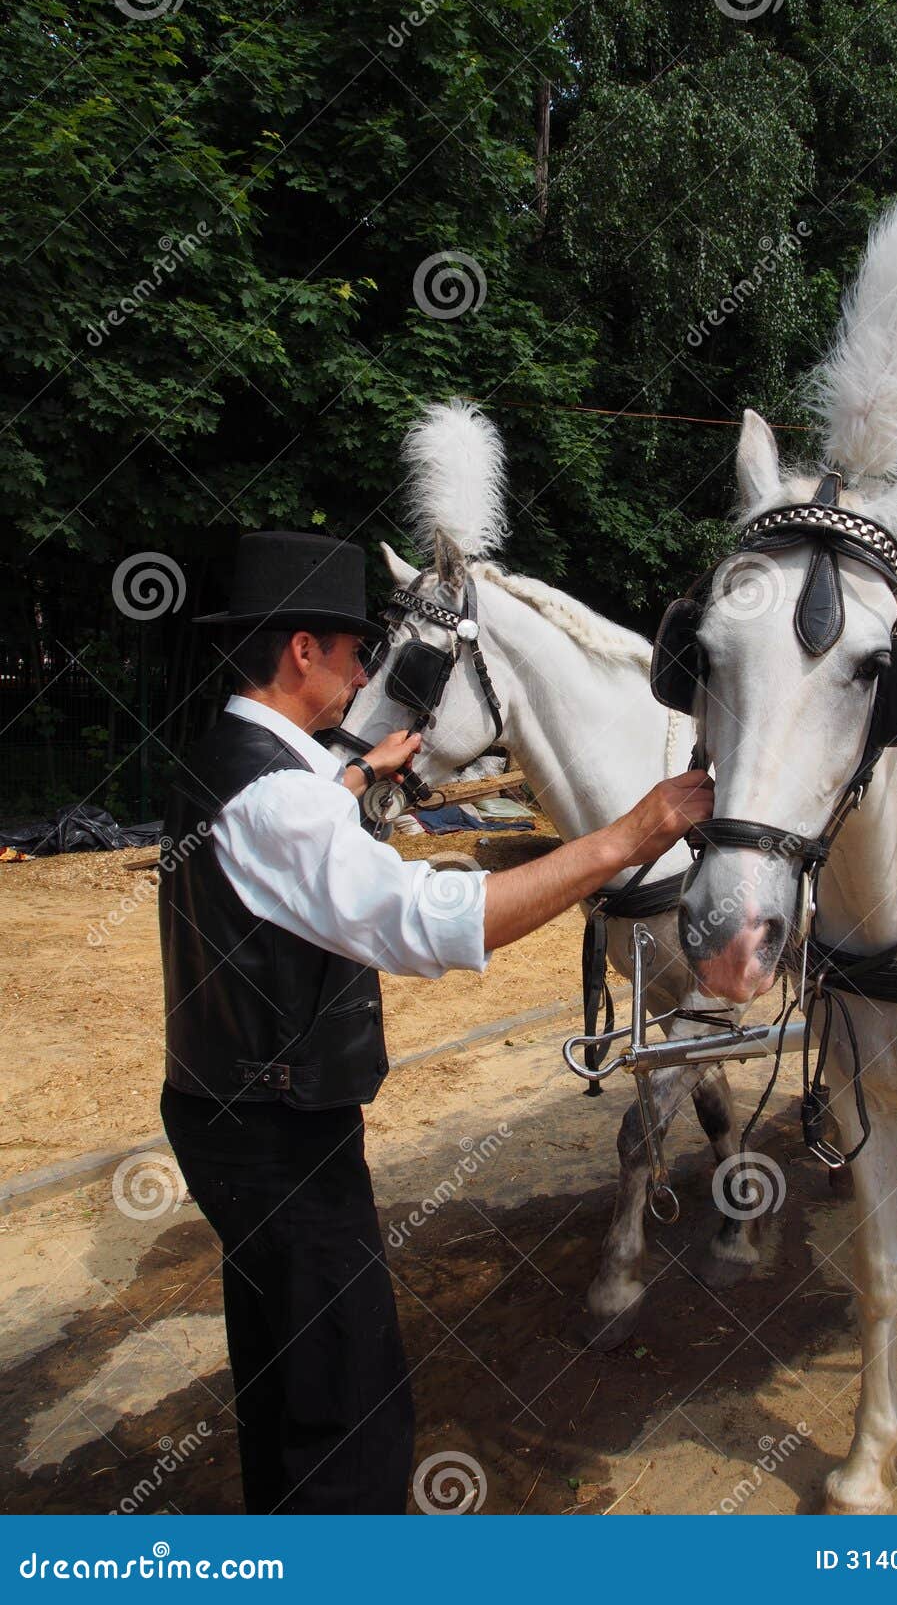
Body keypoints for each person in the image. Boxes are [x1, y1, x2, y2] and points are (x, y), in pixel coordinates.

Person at [158, 530, 712, 1515]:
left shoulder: (224, 757)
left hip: (218, 1111)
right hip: (286, 1141)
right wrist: (630, 835)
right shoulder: (281, 802)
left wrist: (366, 774)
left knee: (278, 1368)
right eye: (352, 650)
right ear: (302, 653)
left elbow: (297, 834)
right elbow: (433, 921)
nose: (367, 667)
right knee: (350, 1403)